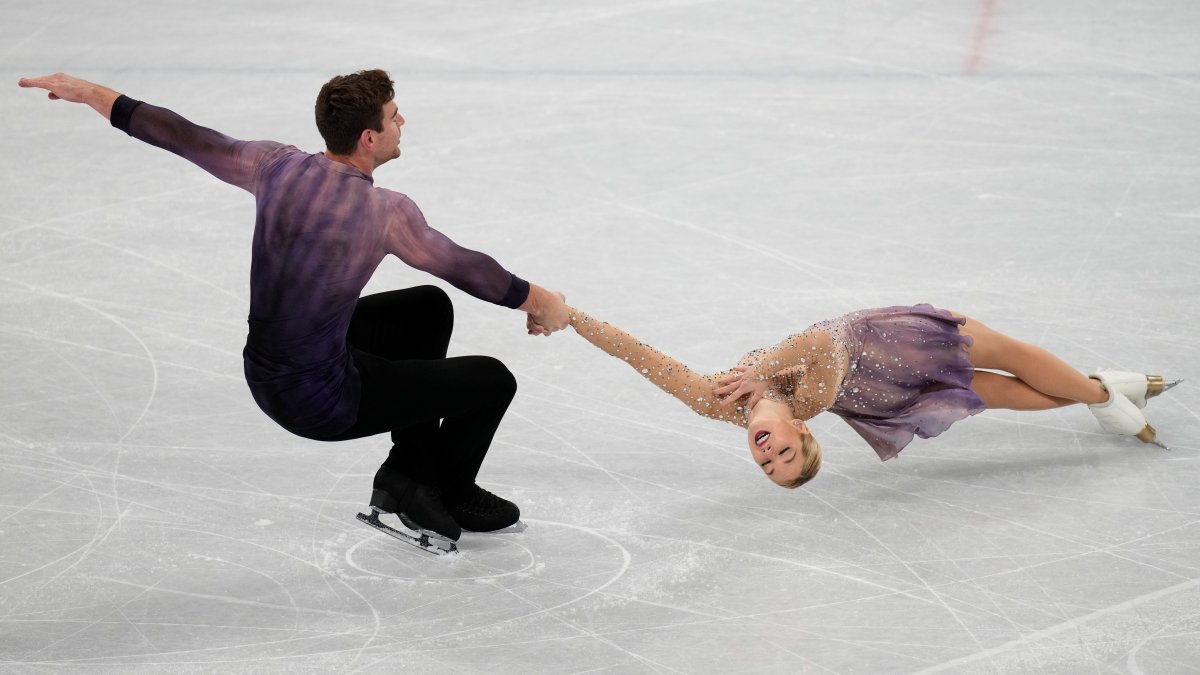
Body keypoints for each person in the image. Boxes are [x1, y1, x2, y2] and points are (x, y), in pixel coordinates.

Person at [18, 70, 571, 549]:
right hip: (321, 400)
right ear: (369, 137)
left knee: (426, 309)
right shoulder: (384, 212)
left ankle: (409, 476)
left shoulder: (273, 165)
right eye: (394, 117)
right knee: (492, 381)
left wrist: (91, 93)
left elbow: (180, 134)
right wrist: (539, 300)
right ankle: (450, 489)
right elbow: (463, 265)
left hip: (267, 370)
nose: (403, 122)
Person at [555, 304, 1177, 488]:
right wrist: (765, 368)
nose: (769, 453)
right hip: (880, 376)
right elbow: (825, 343)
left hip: (890, 336)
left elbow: (638, 355)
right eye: (784, 457)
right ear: (803, 432)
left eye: (768, 463)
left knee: (1010, 355)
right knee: (1003, 394)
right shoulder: (806, 400)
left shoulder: (715, 400)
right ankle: (1106, 395)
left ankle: (1107, 396)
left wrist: (569, 317)